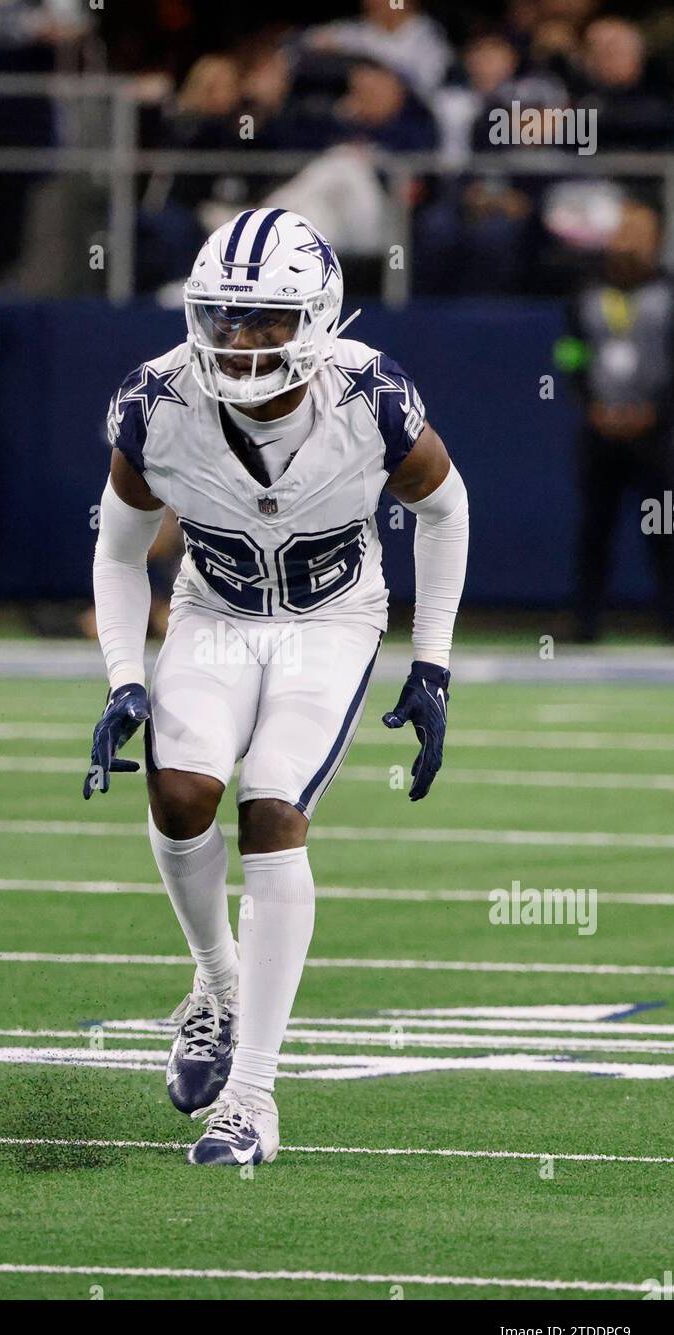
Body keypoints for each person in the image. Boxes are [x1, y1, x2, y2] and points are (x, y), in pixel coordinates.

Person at [83, 208, 469, 1165]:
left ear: (320, 318)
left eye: (266, 323)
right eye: (225, 319)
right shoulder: (155, 403)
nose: (241, 343)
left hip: (329, 624)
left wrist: (432, 661)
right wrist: (124, 680)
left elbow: (447, 511)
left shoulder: (371, 397)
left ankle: (253, 1098)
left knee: (271, 815)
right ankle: (214, 984)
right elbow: (119, 554)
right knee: (179, 797)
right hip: (213, 615)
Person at [558, 197, 674, 642]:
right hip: (600, 429)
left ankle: (673, 622)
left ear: (656, 239)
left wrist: (658, 410)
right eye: (623, 229)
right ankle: (585, 624)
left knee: (665, 529)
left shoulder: (671, 291)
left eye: (639, 230)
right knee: (595, 528)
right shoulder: (587, 290)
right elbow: (569, 351)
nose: (628, 239)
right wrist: (590, 402)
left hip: (655, 432)